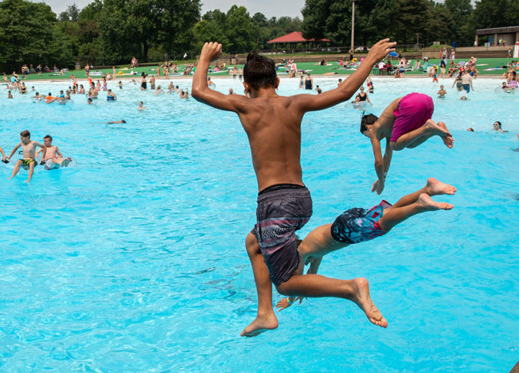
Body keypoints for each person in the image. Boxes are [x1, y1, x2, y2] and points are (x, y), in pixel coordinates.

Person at [191, 39, 396, 337]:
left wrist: (205, 56)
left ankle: (351, 289)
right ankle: (265, 313)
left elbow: (198, 91)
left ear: (246, 86)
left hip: (274, 203)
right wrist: (371, 56)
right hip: (301, 199)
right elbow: (344, 92)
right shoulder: (295, 103)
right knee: (254, 243)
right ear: (276, 80)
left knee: (286, 283)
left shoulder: (245, 106)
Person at [276, 178, 456, 311]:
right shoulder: (311, 249)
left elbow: (298, 280)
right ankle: (428, 188)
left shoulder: (300, 254)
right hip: (347, 218)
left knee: (381, 227)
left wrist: (290, 300)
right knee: (388, 211)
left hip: (343, 231)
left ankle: (420, 206)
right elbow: (312, 275)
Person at [360, 93, 453, 194]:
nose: (369, 138)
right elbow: (387, 156)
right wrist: (383, 178)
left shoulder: (375, 130)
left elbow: (378, 162)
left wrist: (381, 183)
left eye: (367, 135)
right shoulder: (388, 128)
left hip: (410, 103)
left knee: (395, 145)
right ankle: (435, 130)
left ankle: (428, 128)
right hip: (427, 102)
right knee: (409, 143)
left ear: (369, 127)